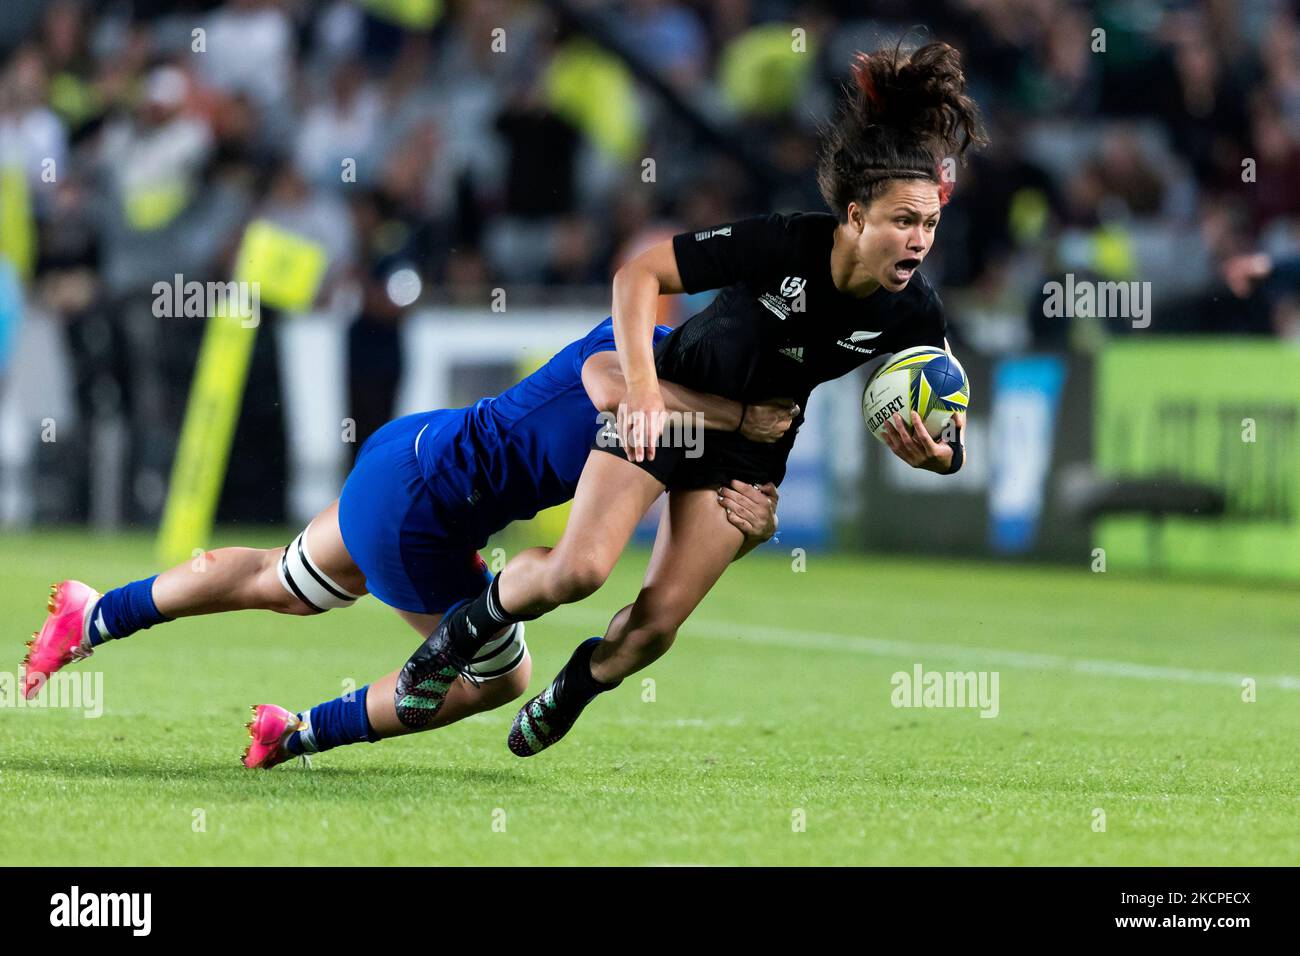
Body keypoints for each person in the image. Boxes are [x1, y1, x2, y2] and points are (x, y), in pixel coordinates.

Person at [403, 40, 986, 757]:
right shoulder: (782, 243)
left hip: (749, 454)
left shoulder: (914, 311)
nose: (919, 240)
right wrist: (645, 392)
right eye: (904, 221)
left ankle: (577, 684)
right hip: (675, 401)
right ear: (856, 216)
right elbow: (636, 275)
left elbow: (951, 415)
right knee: (578, 572)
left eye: (928, 224)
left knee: (653, 630)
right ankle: (453, 639)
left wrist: (939, 456)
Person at [21, 317, 794, 767]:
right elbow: (608, 383)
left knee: (281, 582)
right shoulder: (647, 371)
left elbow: (692, 521)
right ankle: (297, 734)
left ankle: (94, 615)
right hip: (427, 513)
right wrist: (739, 424)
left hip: (411, 454)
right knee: (502, 679)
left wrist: (750, 530)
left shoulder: (673, 380)